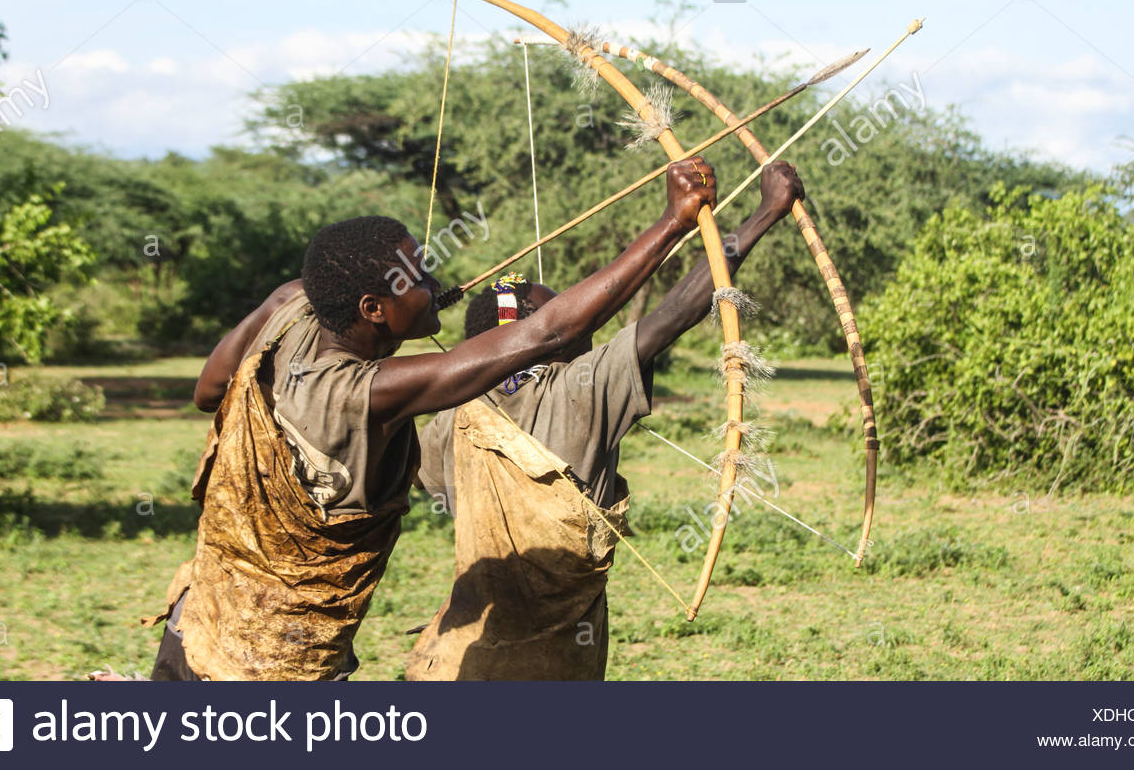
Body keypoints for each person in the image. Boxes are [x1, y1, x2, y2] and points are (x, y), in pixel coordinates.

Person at [145, 157, 718, 680]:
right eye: (416, 278)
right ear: (373, 309)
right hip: (268, 668)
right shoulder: (363, 392)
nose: (431, 285)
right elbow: (549, 332)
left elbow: (209, 390)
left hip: (194, 621)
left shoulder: (292, 304)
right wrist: (672, 222)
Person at [406, 160, 805, 681]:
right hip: (548, 670)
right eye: (564, 319)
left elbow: (419, 475)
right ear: (535, 337)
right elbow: (678, 309)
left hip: (454, 661)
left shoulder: (454, 416)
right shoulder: (578, 388)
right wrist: (764, 213)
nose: (583, 326)